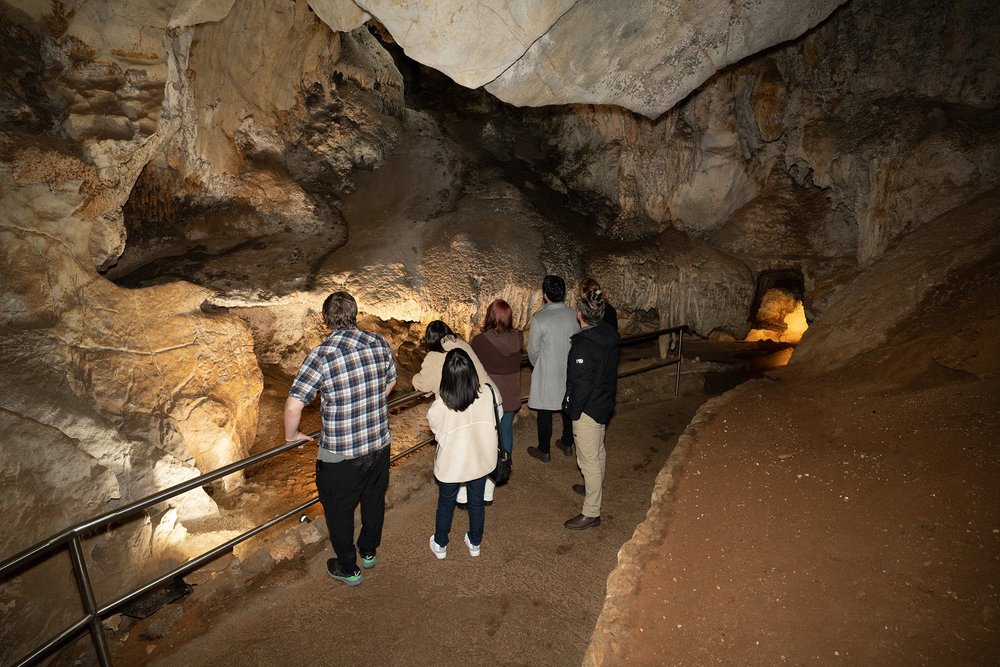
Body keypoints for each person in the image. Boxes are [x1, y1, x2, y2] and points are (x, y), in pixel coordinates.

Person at [284, 291, 397, 586]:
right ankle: (368, 551)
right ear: (355, 314)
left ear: (326, 320)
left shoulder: (321, 355)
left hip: (340, 453)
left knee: (339, 510)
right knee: (373, 500)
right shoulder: (378, 342)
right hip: (379, 443)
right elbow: (391, 380)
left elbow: (294, 404)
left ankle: (348, 567)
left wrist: (291, 436)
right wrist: (371, 402)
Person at [427, 348, 501, 559]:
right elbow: (497, 418)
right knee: (476, 502)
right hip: (479, 460)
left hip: (452, 464)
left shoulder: (439, 406)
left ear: (446, 376)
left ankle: (440, 544)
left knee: (446, 504)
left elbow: (436, 431)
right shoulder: (488, 394)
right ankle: (475, 543)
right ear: (472, 371)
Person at [413, 320, 496, 505]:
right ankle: (486, 493)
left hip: (465, 404)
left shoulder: (434, 356)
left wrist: (414, 379)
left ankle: (463, 496)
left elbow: (424, 384)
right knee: (481, 445)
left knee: (462, 448)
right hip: (487, 398)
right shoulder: (462, 344)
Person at [563, 286, 620, 530]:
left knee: (588, 460)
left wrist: (574, 411)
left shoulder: (584, 345)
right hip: (604, 401)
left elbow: (581, 385)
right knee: (598, 450)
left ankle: (591, 512)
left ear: (579, 313)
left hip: (588, 407)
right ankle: (592, 486)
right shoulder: (608, 333)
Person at [526, 275, 579, 463]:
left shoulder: (540, 319)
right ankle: (567, 443)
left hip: (548, 372)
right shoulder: (574, 315)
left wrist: (539, 365)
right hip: (570, 370)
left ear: (545, 294)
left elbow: (533, 350)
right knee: (568, 406)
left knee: (544, 411)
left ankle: (544, 450)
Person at [470, 299, 523, 466]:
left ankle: (487, 466)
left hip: (490, 397)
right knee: (506, 428)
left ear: (490, 316)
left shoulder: (479, 341)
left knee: (487, 432)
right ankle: (505, 464)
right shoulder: (518, 338)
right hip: (510, 396)